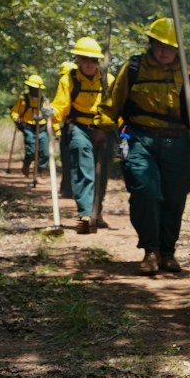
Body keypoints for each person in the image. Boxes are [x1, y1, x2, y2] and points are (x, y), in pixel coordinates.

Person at [108, 17, 190, 276]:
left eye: (169, 47)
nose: (163, 51)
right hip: (140, 138)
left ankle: (168, 252)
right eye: (159, 45)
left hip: (178, 142)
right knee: (146, 190)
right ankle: (150, 250)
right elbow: (113, 102)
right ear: (151, 43)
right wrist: (101, 129)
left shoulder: (186, 73)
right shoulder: (134, 68)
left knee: (174, 196)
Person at [53, 37, 115, 234]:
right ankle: (85, 215)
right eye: (84, 59)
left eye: (93, 60)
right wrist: (51, 114)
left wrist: (114, 130)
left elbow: (116, 107)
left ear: (98, 61)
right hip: (79, 127)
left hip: (103, 128)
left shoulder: (109, 80)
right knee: (83, 165)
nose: (89, 63)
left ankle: (97, 210)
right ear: (78, 59)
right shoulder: (68, 80)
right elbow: (60, 107)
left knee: (102, 173)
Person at [9, 74, 51, 179]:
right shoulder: (23, 98)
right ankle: (26, 164)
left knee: (45, 152)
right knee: (31, 150)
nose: (35, 90)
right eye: (32, 88)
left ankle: (39, 171)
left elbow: (49, 114)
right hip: (28, 126)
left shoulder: (45, 101)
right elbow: (15, 111)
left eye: (36, 88)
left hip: (41, 127)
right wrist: (16, 118)